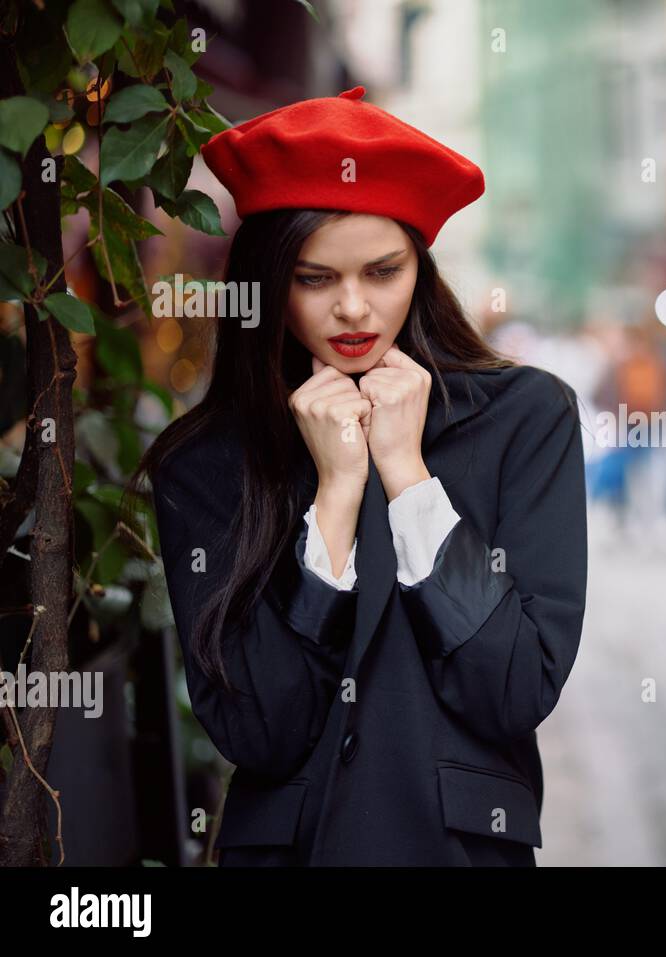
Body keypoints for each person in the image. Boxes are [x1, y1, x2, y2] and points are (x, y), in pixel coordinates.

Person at [125, 87, 587, 866]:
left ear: (420, 268)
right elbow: (260, 730)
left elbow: (515, 688)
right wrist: (335, 498)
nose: (353, 308)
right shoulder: (204, 462)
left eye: (382, 271)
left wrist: (408, 477)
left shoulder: (525, 419)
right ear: (268, 280)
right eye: (314, 278)